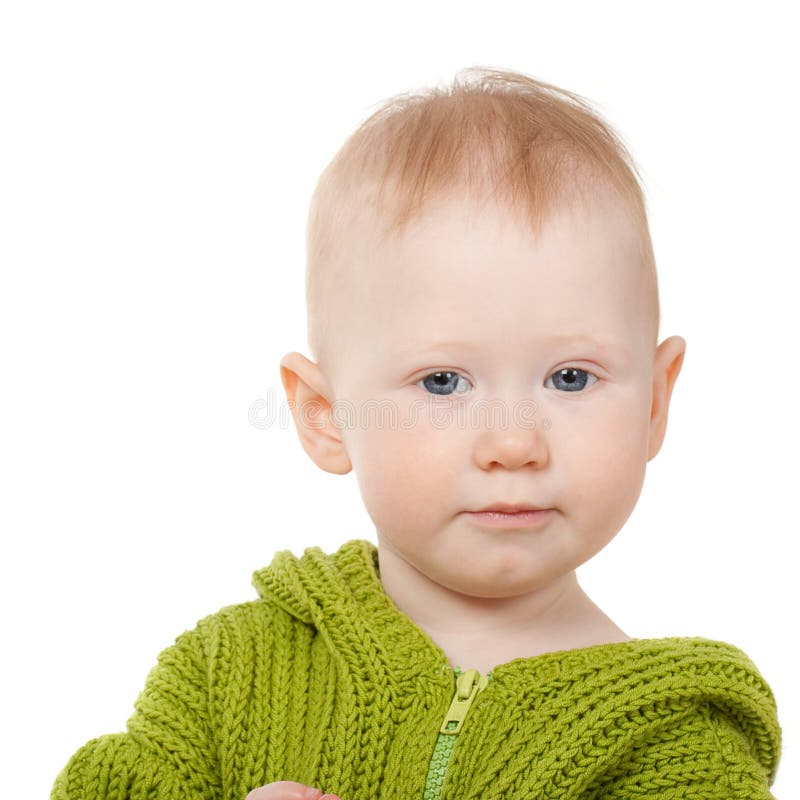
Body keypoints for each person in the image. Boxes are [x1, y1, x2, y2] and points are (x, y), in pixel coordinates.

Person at [51, 66, 783, 800]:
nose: (514, 445)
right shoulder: (225, 675)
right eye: (442, 383)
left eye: (569, 378)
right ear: (326, 415)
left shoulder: (677, 743)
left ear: (654, 404)